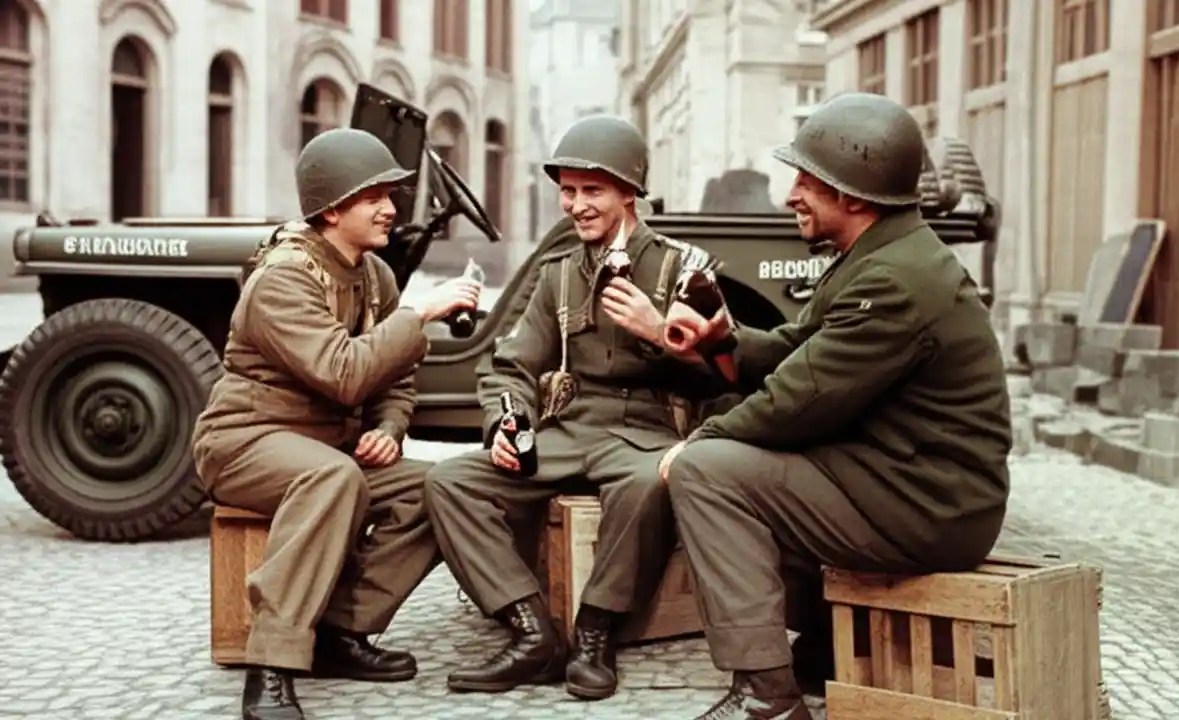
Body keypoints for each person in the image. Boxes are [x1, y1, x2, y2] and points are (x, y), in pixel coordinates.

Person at [657, 93, 1013, 719]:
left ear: (853, 196)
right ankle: (825, 650)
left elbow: (796, 403)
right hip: (907, 483)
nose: (792, 193)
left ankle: (769, 700)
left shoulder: (892, 280)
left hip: (928, 506)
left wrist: (698, 441)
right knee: (749, 475)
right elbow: (800, 347)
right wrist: (722, 341)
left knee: (706, 475)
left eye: (807, 180)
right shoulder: (884, 255)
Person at [423, 115, 721, 701]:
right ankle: (531, 630)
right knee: (451, 480)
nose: (576, 205)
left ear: (629, 193)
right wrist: (508, 425)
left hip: (648, 431)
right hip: (571, 428)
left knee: (646, 486)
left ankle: (595, 631)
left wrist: (662, 332)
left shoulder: (684, 268)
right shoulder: (559, 274)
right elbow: (509, 365)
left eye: (593, 191)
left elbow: (728, 372)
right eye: (568, 191)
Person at [190, 127, 481, 720]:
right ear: (331, 208)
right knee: (332, 480)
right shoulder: (284, 278)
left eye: (390, 196)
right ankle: (270, 665)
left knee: (439, 487)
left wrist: (390, 429)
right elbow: (343, 373)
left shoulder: (374, 276)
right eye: (373, 197)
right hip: (245, 439)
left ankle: (341, 633)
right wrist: (420, 312)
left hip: (329, 448)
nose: (390, 209)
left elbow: (395, 379)